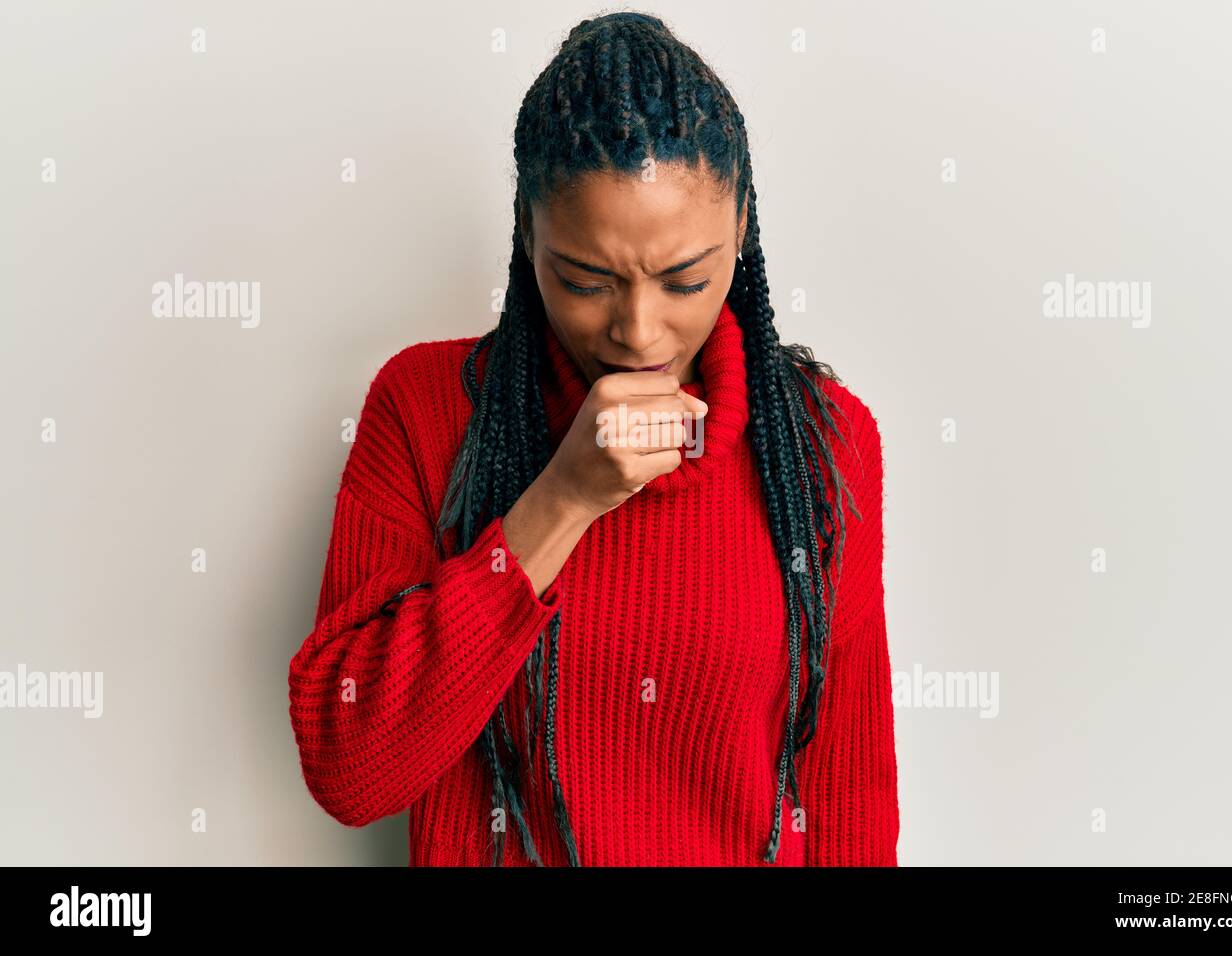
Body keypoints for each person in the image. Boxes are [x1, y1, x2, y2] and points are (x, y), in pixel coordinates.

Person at [288, 10, 899, 867]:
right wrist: (561, 502)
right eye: (585, 281)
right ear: (528, 238)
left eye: (686, 280)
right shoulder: (425, 410)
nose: (639, 333)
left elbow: (847, 793)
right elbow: (348, 767)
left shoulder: (824, 447)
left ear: (744, 227)